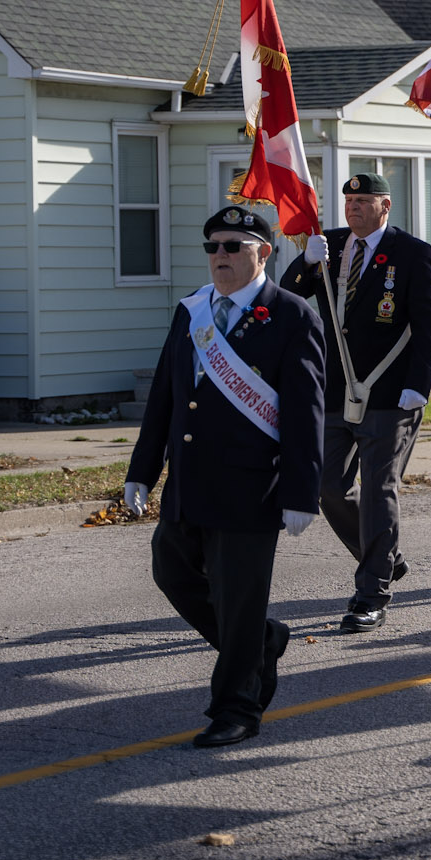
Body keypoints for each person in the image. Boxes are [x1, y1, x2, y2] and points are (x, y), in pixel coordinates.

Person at [125, 206, 324, 747]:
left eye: (234, 246)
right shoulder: (193, 311)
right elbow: (165, 394)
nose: (220, 256)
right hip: (190, 481)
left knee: (239, 599)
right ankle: (261, 642)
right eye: (213, 247)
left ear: (264, 251)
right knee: (171, 570)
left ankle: (236, 708)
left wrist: (303, 492)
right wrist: (142, 469)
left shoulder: (292, 315)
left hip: (249, 487)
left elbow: (306, 413)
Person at [283, 173, 431, 634]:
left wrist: (420, 384)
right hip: (335, 389)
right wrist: (306, 265)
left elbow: (428, 323)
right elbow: (288, 296)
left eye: (363, 200)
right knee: (328, 485)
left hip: (390, 393)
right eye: (349, 200)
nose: (353, 207)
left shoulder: (412, 252)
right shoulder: (328, 245)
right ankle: (385, 556)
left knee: (377, 490)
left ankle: (371, 591)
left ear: (385, 205)